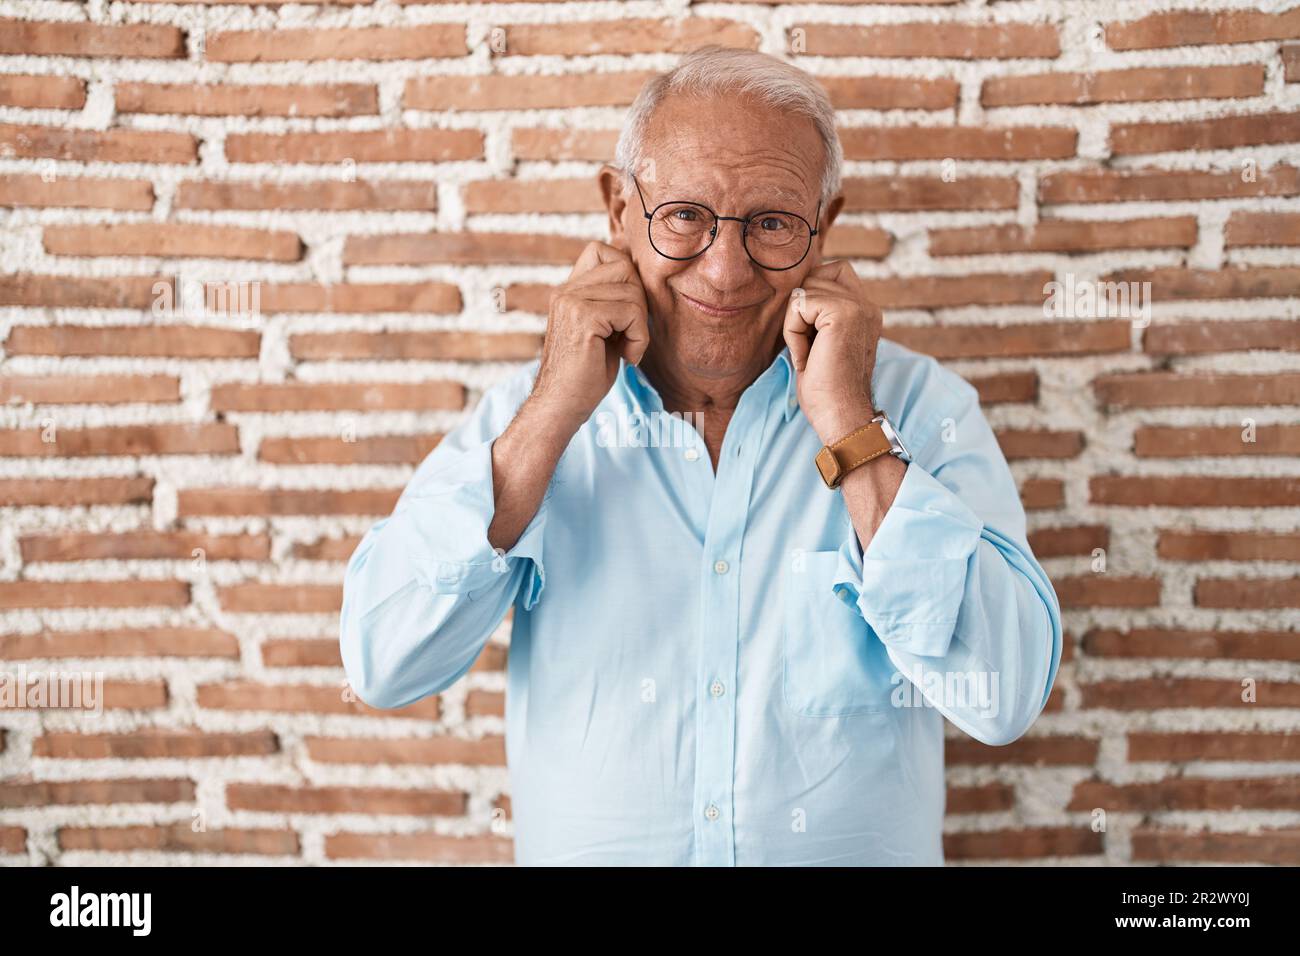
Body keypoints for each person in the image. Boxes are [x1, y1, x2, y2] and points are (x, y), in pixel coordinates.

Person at [340, 46, 1062, 866]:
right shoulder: (531, 409)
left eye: (772, 222)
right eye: (684, 214)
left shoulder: (923, 410)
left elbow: (1001, 697)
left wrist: (850, 426)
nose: (725, 269)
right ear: (619, 208)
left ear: (821, 228)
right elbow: (383, 663)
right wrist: (552, 414)